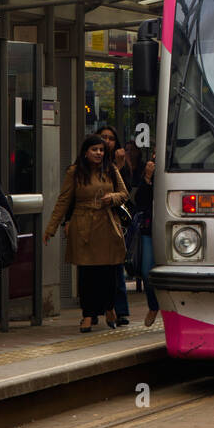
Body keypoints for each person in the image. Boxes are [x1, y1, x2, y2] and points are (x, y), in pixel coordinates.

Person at [43, 134, 129, 333]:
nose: (99, 153)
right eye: (94, 150)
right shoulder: (75, 172)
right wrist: (51, 228)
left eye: (101, 150)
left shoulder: (110, 169)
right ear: (85, 152)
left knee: (108, 272)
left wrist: (113, 198)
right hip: (83, 226)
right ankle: (88, 315)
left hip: (107, 224)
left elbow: (124, 194)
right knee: (87, 274)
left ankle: (109, 308)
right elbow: (63, 201)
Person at [98, 125, 131, 325]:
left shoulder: (119, 164)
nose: (107, 141)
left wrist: (120, 165)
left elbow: (124, 191)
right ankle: (96, 310)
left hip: (115, 221)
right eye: (103, 137)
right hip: (95, 221)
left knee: (116, 265)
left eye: (110, 138)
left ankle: (120, 310)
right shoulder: (90, 163)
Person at [132, 153, 158, 327]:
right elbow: (140, 201)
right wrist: (148, 178)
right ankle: (154, 306)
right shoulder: (149, 175)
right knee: (147, 271)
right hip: (151, 228)